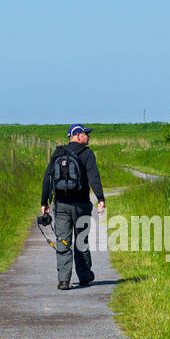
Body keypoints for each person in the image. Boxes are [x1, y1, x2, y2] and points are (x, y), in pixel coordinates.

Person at [40, 124, 105, 289]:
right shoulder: (87, 154)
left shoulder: (58, 153)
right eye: (86, 134)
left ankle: (64, 280)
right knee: (81, 240)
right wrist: (100, 198)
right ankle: (84, 276)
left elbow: (47, 178)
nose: (88, 137)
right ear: (77, 135)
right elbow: (94, 177)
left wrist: (44, 202)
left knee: (63, 241)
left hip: (61, 205)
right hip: (82, 205)